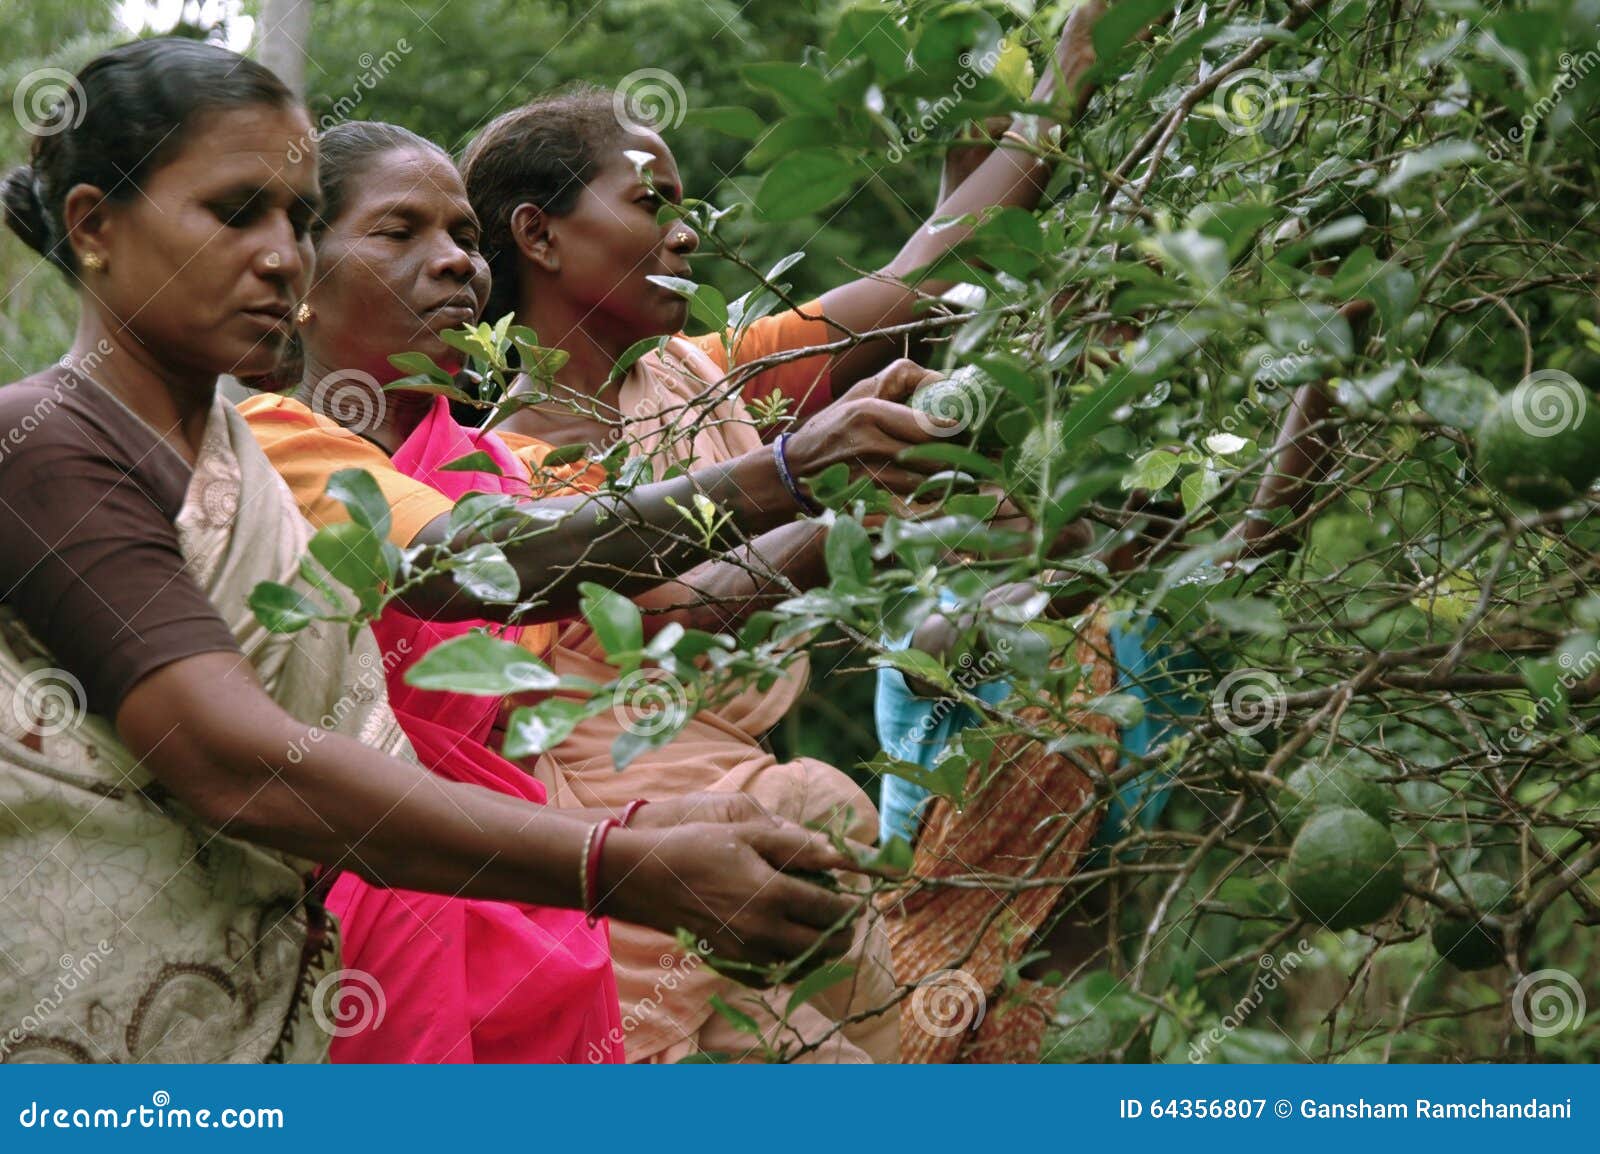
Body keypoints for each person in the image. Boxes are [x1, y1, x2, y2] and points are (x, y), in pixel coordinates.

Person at [0, 38, 878, 1064]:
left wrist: (851, 506)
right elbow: (238, 762)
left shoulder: (234, 449)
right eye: (236, 212)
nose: (282, 254)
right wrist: (621, 861)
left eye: (295, 217)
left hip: (360, 944)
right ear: (95, 225)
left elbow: (641, 580)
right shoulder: (51, 443)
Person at [441, 1, 1112, 1062]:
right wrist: (849, 501)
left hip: (748, 833)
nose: (686, 230)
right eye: (649, 202)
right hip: (650, 880)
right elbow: (694, 598)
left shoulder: (710, 370)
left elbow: (903, 291)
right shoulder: (504, 468)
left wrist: (1044, 109)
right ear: (539, 233)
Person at [237, 120, 947, 1062]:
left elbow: (676, 578)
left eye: (458, 236)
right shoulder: (265, 440)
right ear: (297, 284)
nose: (454, 262)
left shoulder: (497, 461)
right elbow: (473, 562)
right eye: (398, 233)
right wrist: (793, 469)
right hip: (367, 882)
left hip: (523, 872)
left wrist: (864, 499)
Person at [874, 374, 1348, 1062]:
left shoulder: (1139, 636)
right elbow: (954, 639)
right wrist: (1083, 567)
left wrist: (1325, 371)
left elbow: (1261, 539)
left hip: (1076, 1025)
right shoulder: (926, 624)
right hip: (910, 1008)